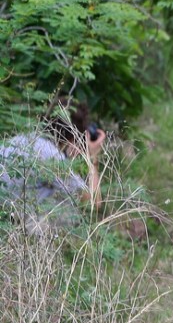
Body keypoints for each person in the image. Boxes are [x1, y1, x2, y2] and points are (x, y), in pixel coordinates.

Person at [0, 97, 106, 227]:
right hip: (13, 220)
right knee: (68, 206)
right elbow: (93, 203)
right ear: (73, 137)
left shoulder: (23, 139)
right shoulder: (52, 156)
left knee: (57, 188)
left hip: (5, 214)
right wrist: (92, 157)